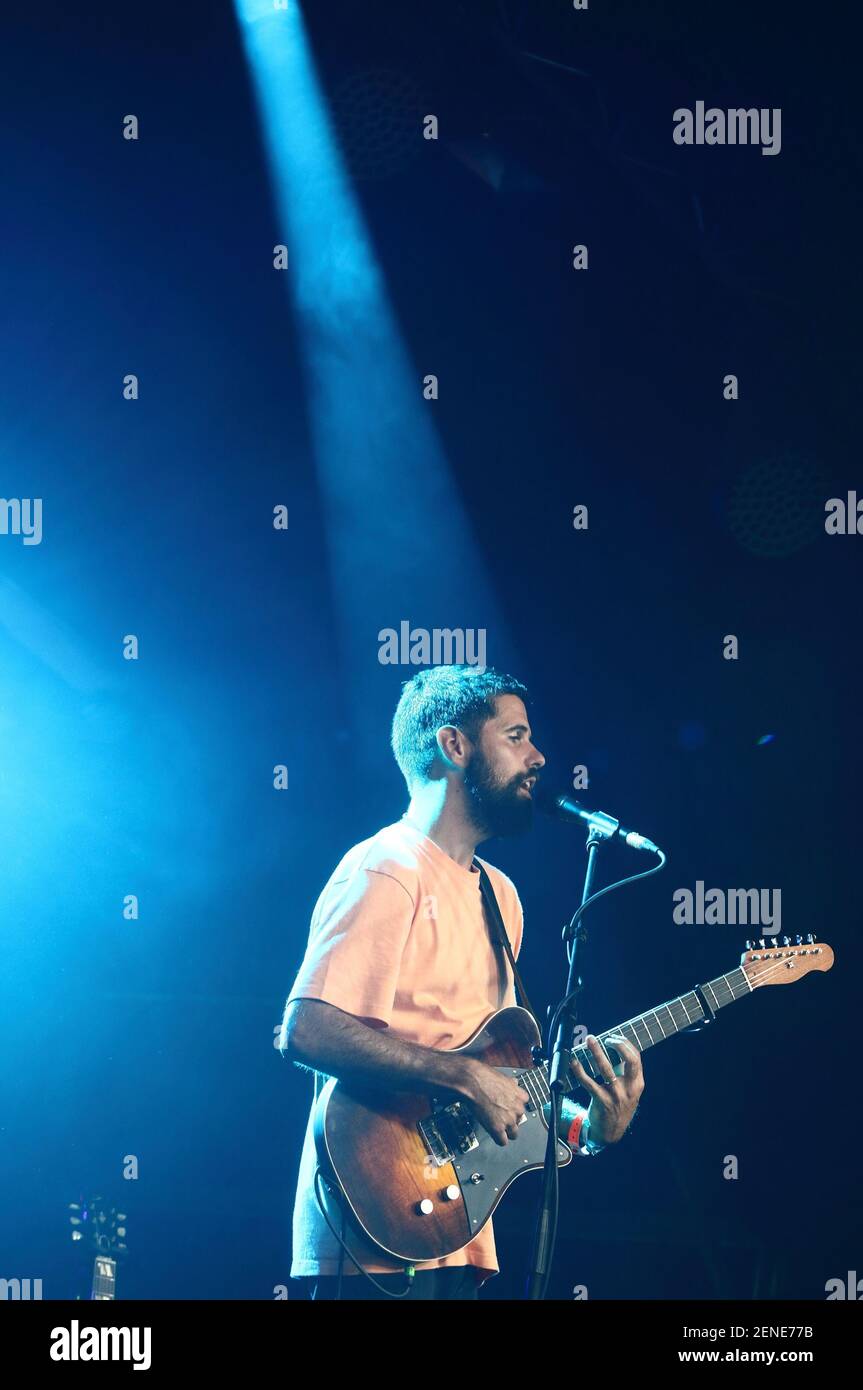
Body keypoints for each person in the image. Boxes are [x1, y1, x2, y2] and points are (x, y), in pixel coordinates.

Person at [279, 664, 644, 1299]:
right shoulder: (387, 868)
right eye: (516, 736)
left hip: (458, 1227)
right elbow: (306, 1029)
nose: (538, 756)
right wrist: (463, 1075)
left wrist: (593, 1131)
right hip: (372, 1228)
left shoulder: (500, 895)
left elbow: (504, 1080)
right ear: (455, 746)